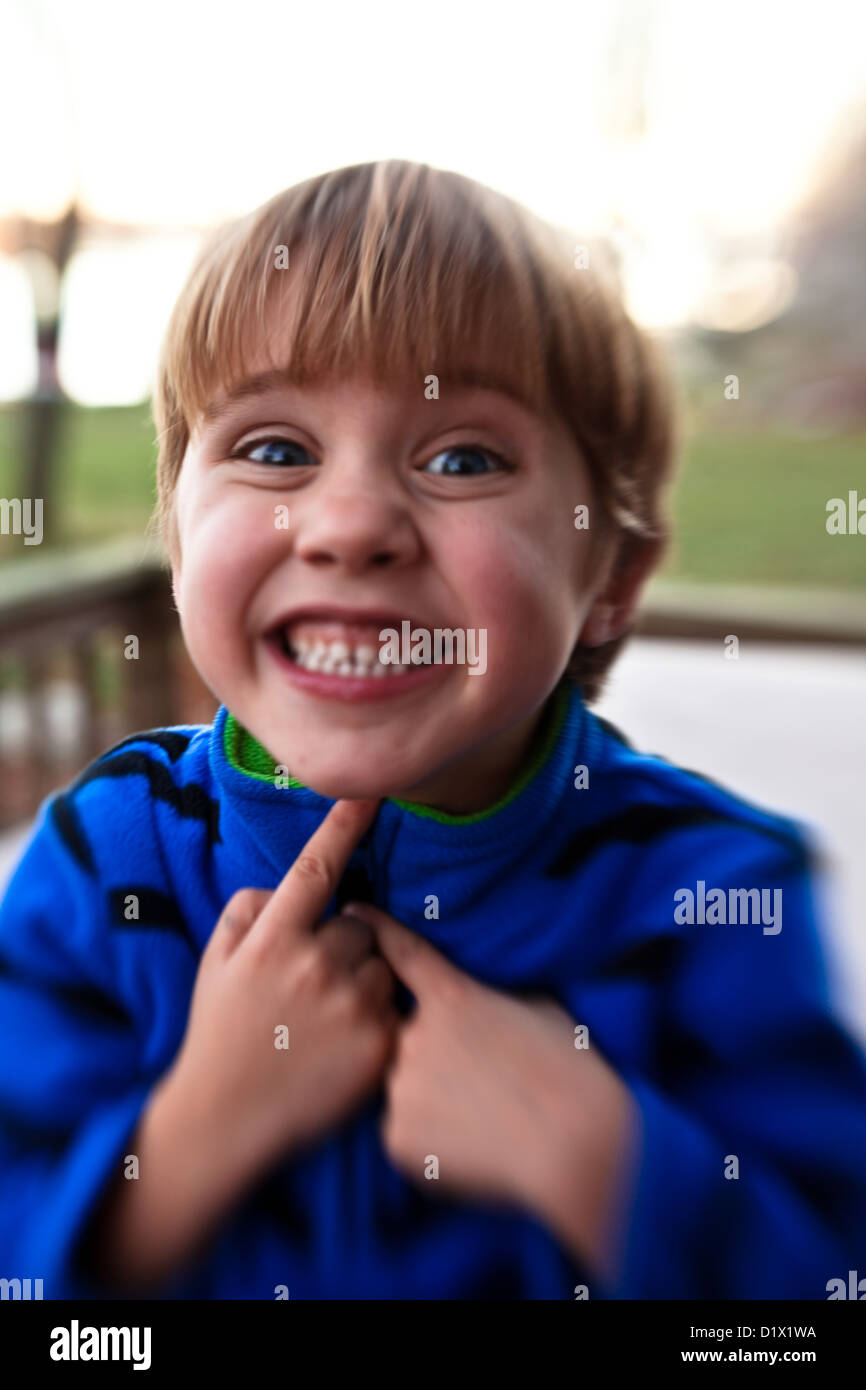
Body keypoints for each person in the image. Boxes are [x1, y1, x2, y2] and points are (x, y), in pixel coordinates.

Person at [1, 159, 865, 1300]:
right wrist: (192, 1137)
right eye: (273, 450)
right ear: (177, 537)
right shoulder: (102, 859)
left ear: (609, 574)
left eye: (462, 458)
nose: (350, 524)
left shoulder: (711, 893)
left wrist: (608, 1165)